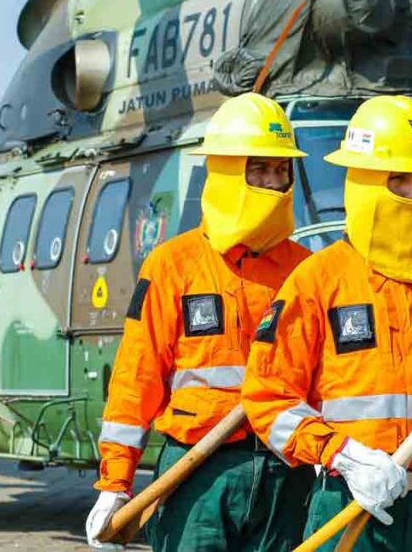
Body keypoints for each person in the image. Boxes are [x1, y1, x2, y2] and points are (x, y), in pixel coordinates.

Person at [242, 96, 412, 551]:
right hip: (352, 501)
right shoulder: (318, 279)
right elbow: (268, 399)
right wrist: (342, 456)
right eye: (398, 180)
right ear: (363, 183)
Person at [84, 92, 314, 551]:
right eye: (258, 169)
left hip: (285, 474)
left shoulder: (308, 271)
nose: (272, 183)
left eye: (280, 171)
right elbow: (137, 377)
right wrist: (115, 481)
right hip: (195, 471)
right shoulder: (173, 265)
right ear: (227, 172)